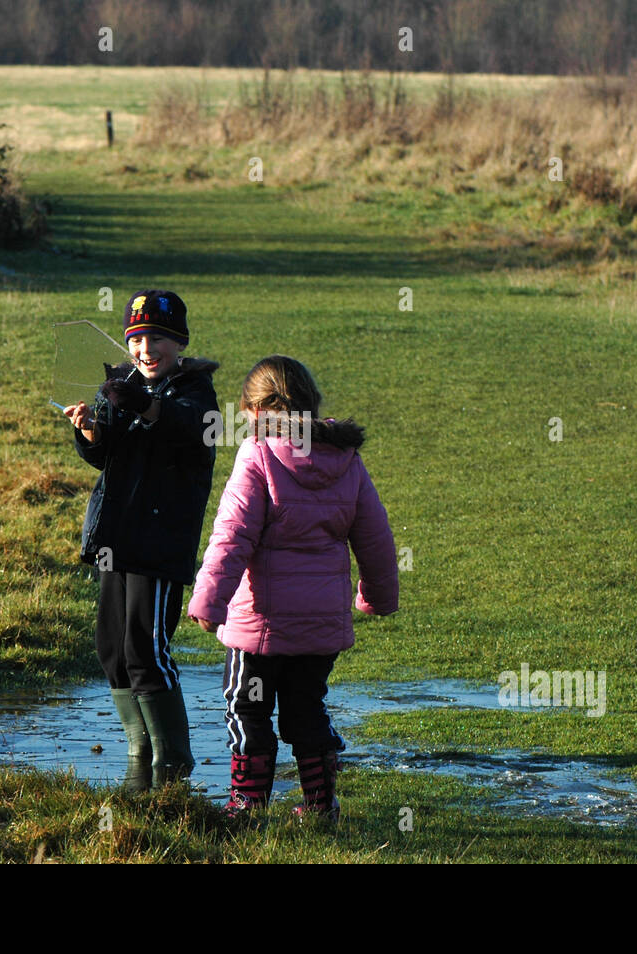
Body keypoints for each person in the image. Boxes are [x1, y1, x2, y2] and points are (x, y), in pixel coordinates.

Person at [187, 355, 398, 821]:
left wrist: (208, 600)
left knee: (247, 707)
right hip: (320, 627)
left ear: (259, 411)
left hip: (260, 625)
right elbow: (376, 537)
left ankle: (247, 804)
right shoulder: (345, 460)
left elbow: (232, 535)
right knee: (306, 710)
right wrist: (379, 596)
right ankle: (321, 806)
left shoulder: (258, 455)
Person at [64, 290, 219, 791]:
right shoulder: (122, 383)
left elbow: (186, 428)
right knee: (111, 647)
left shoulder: (196, 391)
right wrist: (89, 430)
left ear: (179, 343)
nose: (145, 349)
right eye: (137, 339)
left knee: (146, 648)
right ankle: (140, 754)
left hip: (160, 542)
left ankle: (173, 767)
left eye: (157, 339)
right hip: (117, 538)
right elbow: (106, 455)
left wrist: (145, 404)